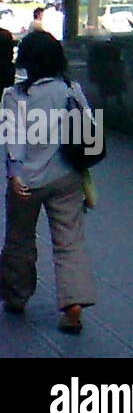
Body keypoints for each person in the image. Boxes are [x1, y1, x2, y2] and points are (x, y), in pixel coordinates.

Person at [0, 30, 97, 333]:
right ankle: (74, 306)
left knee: (20, 239)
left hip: (27, 181)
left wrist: (14, 174)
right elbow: (91, 129)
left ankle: (16, 295)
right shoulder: (71, 88)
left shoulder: (15, 95)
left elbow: (13, 140)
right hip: (67, 177)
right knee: (69, 242)